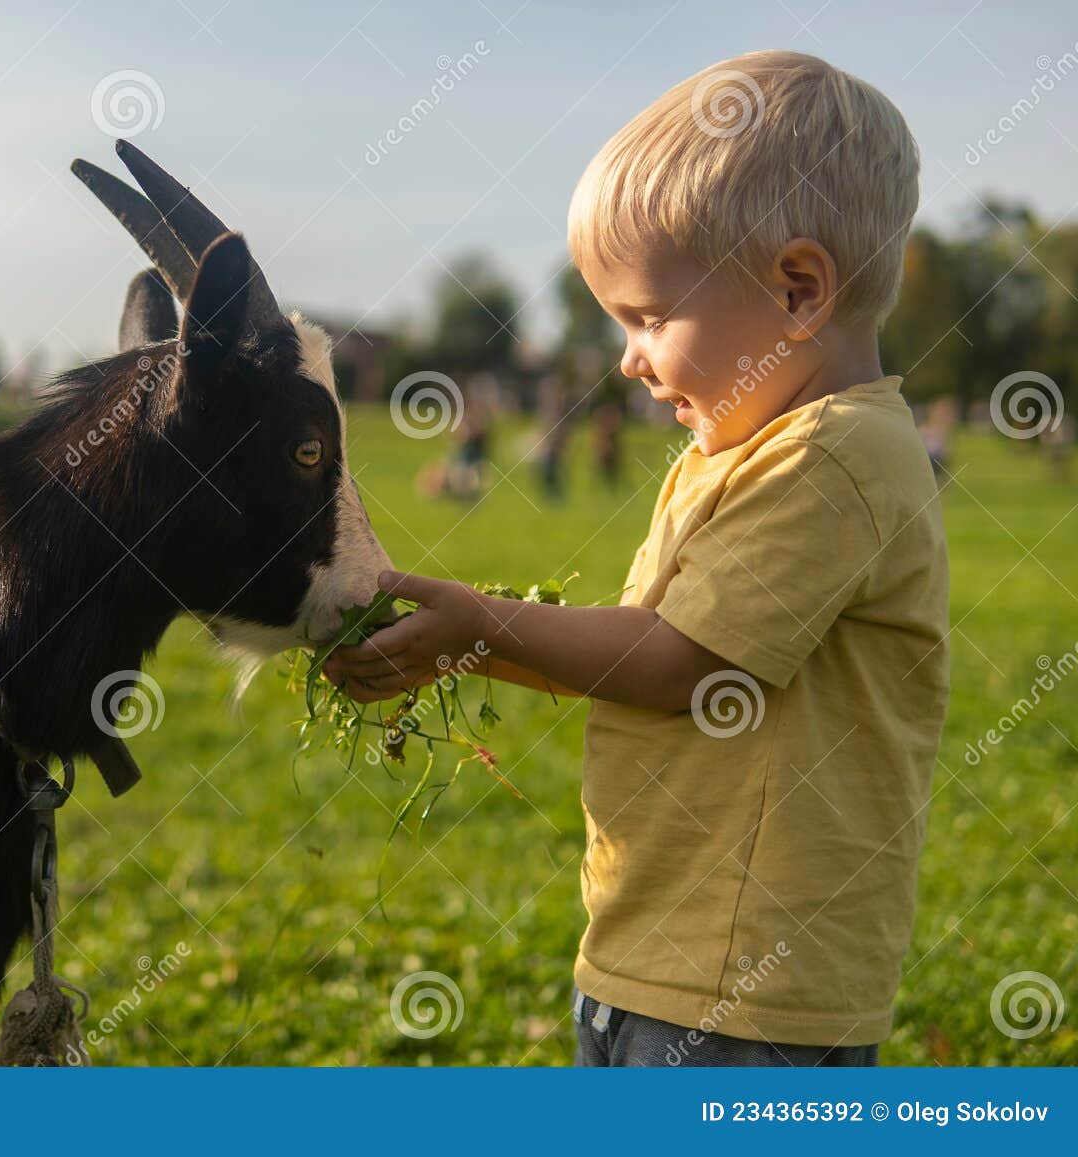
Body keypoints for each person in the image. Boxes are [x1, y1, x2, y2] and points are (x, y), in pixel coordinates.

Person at [325, 50, 949, 1067]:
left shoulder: (835, 455)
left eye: (648, 317)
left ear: (798, 291)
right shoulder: (739, 454)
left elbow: (681, 661)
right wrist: (452, 645)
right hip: (659, 955)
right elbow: (631, 657)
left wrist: (477, 619)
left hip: (742, 988)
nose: (627, 358)